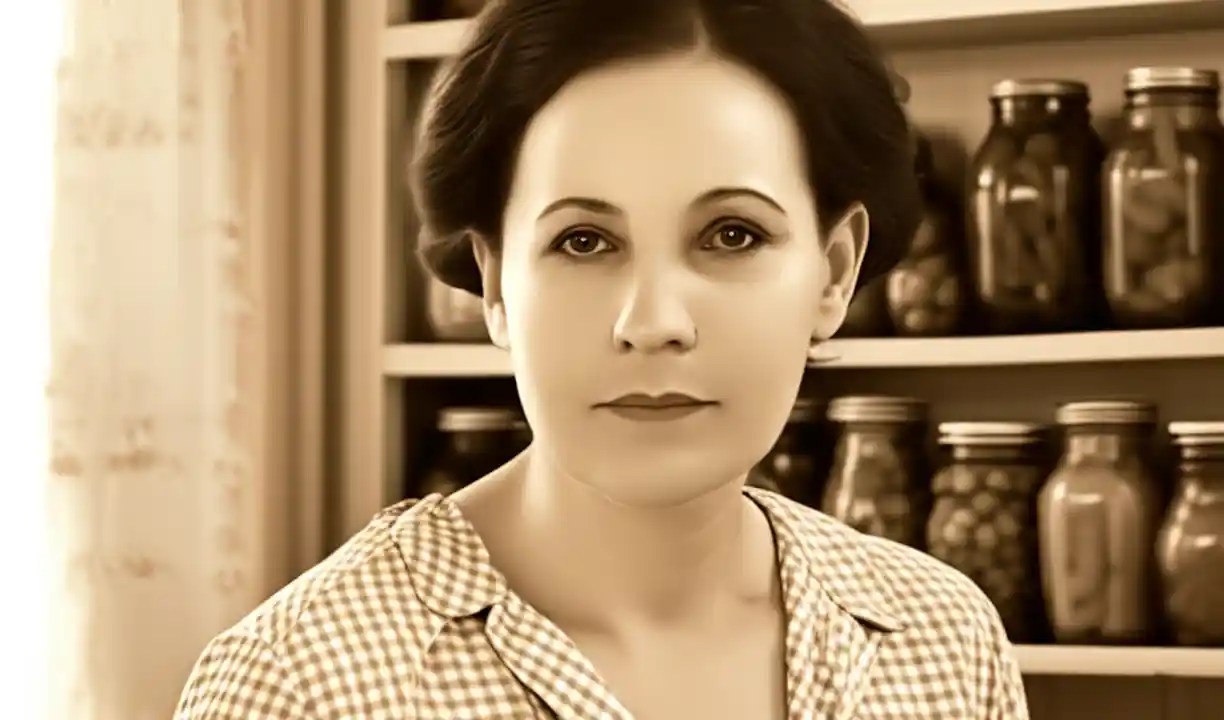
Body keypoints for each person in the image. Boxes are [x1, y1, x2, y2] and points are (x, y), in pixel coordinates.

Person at [175, 0, 1030, 717]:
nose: (652, 322)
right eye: (583, 241)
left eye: (732, 235)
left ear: (834, 273)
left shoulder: (942, 635)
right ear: (496, 284)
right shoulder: (297, 684)